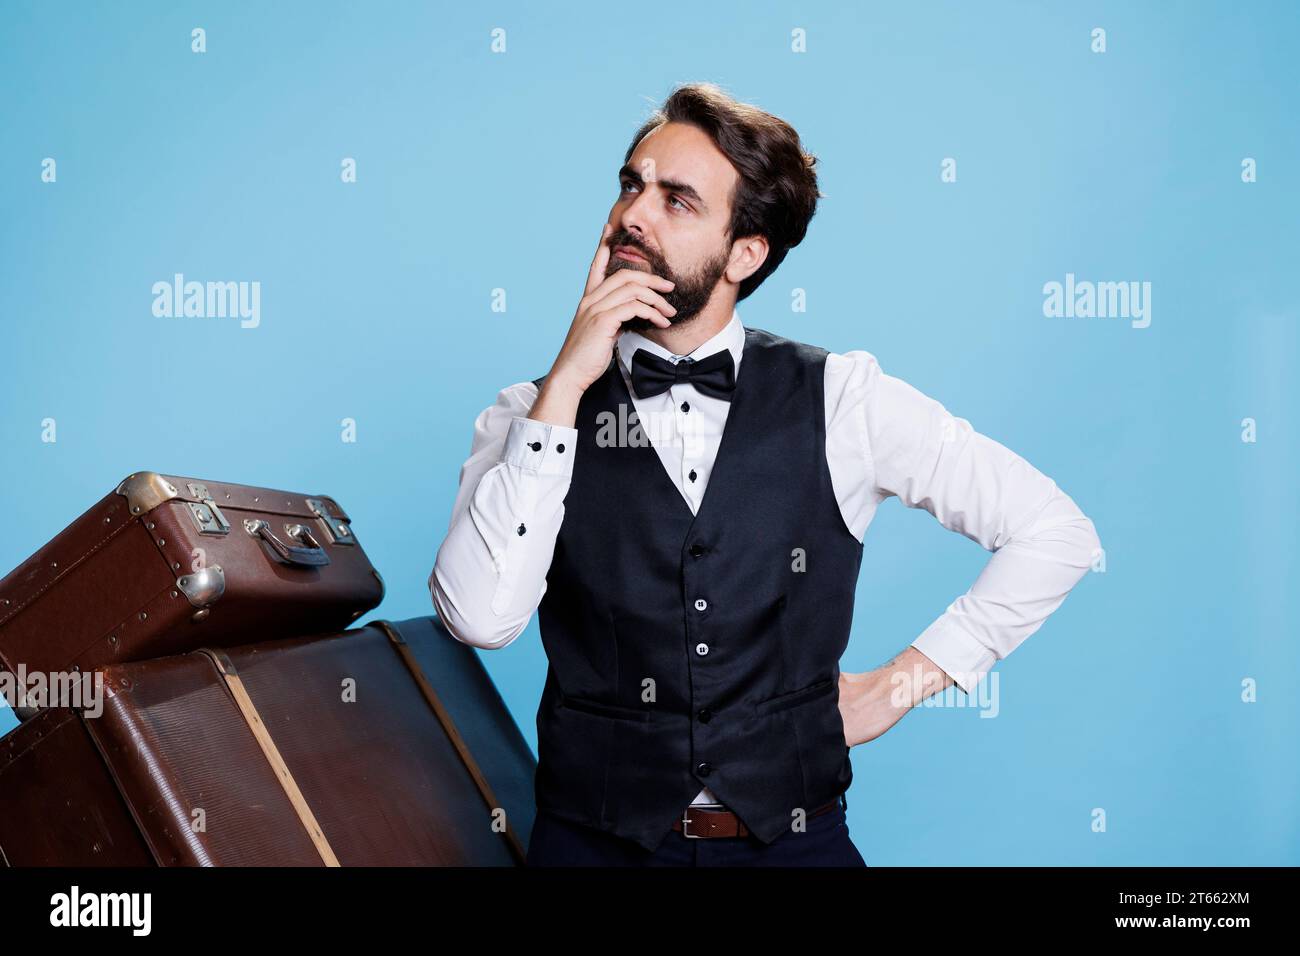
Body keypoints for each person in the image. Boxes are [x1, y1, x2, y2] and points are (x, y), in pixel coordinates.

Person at [429, 82, 1101, 866]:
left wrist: (901, 685)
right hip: (591, 848)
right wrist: (567, 387)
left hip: (797, 848)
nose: (632, 215)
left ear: (744, 253)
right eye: (630, 185)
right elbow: (478, 621)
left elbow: (1055, 532)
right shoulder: (527, 415)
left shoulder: (844, 399)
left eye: (677, 200)